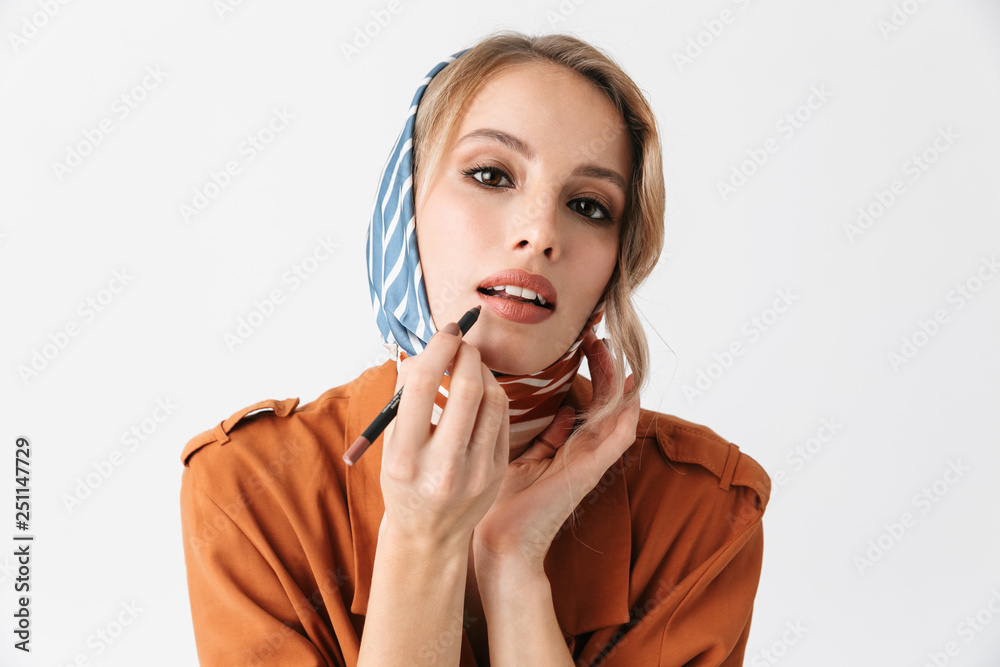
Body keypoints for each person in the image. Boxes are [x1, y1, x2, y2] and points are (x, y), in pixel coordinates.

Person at [179, 31, 771, 667]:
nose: (541, 233)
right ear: (402, 208)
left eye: (588, 205)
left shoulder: (704, 512)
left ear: (616, 266)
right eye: (491, 175)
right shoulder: (247, 488)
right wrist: (421, 540)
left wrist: (513, 564)